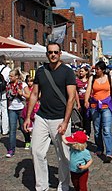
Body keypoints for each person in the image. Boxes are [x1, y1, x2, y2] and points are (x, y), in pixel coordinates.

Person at [23, 42, 77, 191]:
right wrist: (28, 117)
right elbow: (34, 94)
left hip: (60, 118)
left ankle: (63, 185)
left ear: (60, 54)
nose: (53, 55)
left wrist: (66, 122)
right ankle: (42, 186)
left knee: (63, 155)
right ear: (47, 54)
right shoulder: (41, 71)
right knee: (36, 151)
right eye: (50, 52)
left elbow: (71, 97)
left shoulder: (67, 72)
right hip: (42, 117)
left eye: (55, 52)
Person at [84, 60, 112, 163]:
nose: (96, 71)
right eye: (95, 69)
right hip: (95, 107)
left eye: (98, 69)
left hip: (106, 107)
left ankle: (109, 153)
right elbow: (88, 90)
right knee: (97, 130)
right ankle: (100, 148)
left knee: (106, 130)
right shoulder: (92, 78)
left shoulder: (109, 78)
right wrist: (86, 100)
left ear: (103, 70)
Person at [5, 68, 30, 158]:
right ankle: (11, 149)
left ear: (16, 76)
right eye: (9, 76)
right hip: (12, 108)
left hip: (21, 108)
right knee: (12, 130)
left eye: (11, 76)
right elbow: (7, 95)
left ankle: (27, 140)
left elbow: (29, 96)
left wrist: (21, 94)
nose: (10, 77)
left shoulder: (23, 84)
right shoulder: (8, 85)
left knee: (23, 128)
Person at [20, 74, 39, 150]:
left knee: (35, 127)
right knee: (25, 126)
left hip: (36, 108)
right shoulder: (26, 88)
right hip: (27, 108)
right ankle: (27, 141)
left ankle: (34, 141)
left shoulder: (36, 88)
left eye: (31, 81)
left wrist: (23, 94)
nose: (29, 83)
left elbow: (35, 96)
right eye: (28, 81)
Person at [75, 65, 91, 136]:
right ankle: (84, 128)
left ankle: (88, 131)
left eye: (82, 71)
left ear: (86, 72)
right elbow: (76, 92)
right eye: (80, 71)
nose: (80, 72)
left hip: (88, 100)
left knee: (87, 116)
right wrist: (78, 103)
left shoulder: (89, 80)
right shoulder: (77, 80)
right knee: (82, 116)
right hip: (80, 100)